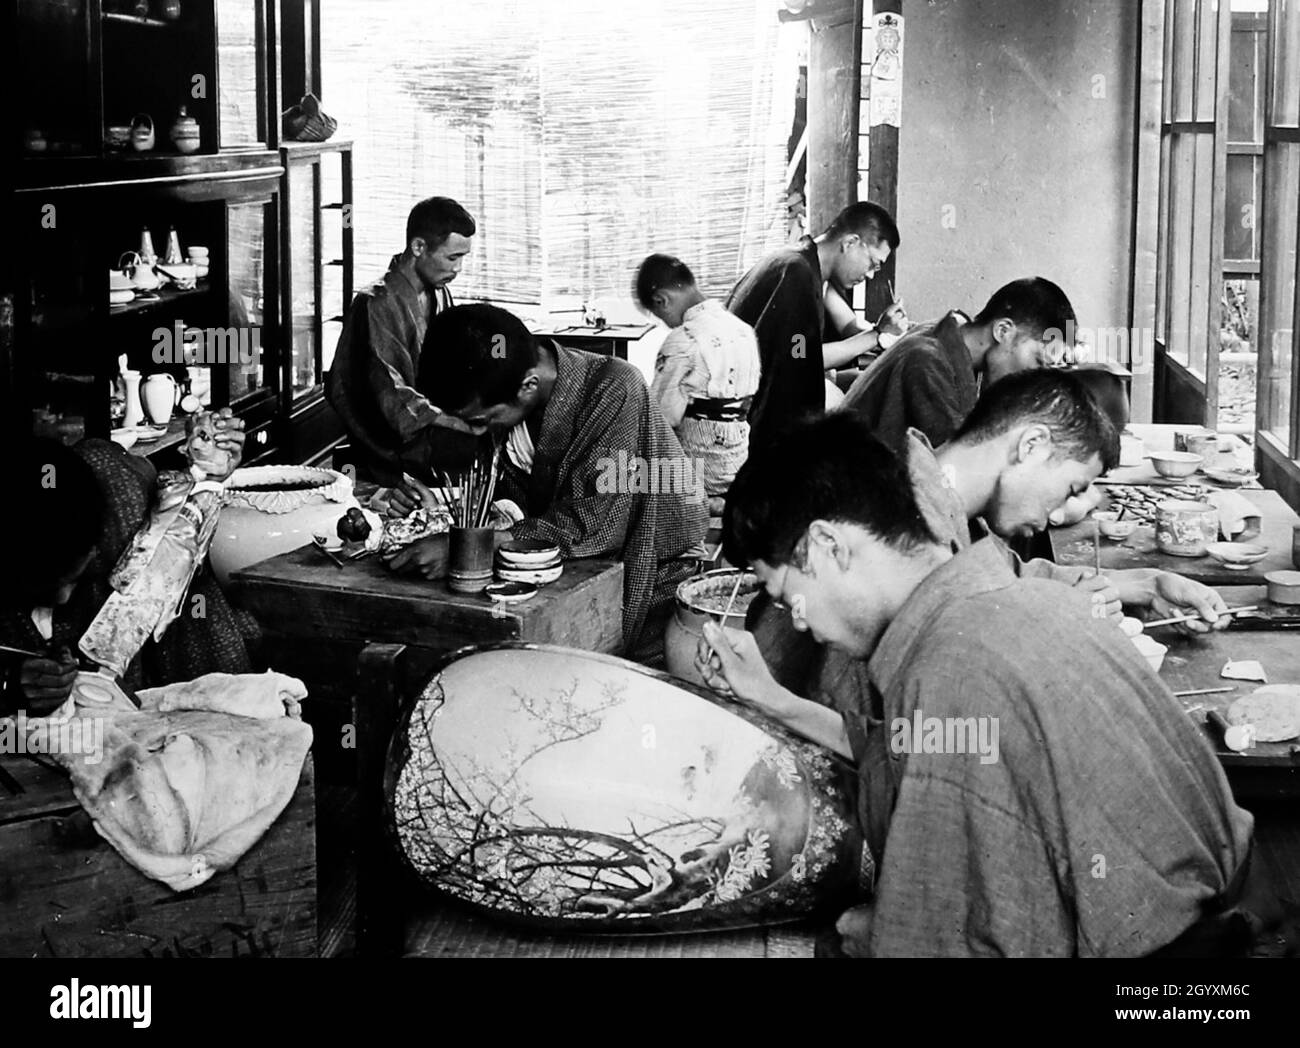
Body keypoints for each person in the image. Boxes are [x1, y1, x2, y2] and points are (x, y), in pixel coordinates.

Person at [697, 413, 1258, 957]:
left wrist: (881, 935)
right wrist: (773, 700)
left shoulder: (951, 667)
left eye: (783, 592)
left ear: (828, 546)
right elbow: (905, 747)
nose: (795, 620)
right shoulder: (1017, 602)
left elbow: (950, 936)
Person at [748, 370, 1231, 712]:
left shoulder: (941, 495)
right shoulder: (905, 530)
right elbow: (874, 727)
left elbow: (1007, 574)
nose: (1059, 515)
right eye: (1070, 489)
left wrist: (1145, 584)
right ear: (1031, 445)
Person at [391, 304, 708, 657]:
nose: (476, 432)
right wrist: (441, 510)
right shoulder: (504, 387)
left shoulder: (615, 388)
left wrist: (473, 545)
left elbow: (597, 523)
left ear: (528, 385)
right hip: (563, 564)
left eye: (481, 420)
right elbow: (511, 497)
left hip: (653, 577)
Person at [1, 415, 253, 716]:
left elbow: (179, 525)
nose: (63, 598)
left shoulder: (123, 510)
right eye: (45, 585)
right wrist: (8, 684)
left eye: (74, 578)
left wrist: (207, 472)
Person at [326, 196, 481, 483]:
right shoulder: (376, 302)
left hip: (429, 424)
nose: (458, 269)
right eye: (452, 258)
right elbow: (388, 390)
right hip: (389, 440)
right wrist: (457, 424)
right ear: (419, 247)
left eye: (463, 258)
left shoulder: (439, 292)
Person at [726, 201, 904, 448]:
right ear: (850, 243)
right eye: (873, 263)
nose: (871, 274)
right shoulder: (797, 275)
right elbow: (801, 358)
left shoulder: (797, 261)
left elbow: (798, 353)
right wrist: (876, 336)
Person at [840, 275, 1075, 452]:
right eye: (1039, 361)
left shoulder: (951, 338)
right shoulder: (927, 360)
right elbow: (963, 465)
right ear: (1003, 331)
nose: (1036, 377)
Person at [634, 253, 761, 514]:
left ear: (662, 301)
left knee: (611, 475)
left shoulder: (684, 339)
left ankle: (697, 508)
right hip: (738, 462)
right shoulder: (743, 330)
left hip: (699, 468)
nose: (664, 322)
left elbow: (661, 420)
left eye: (659, 314)